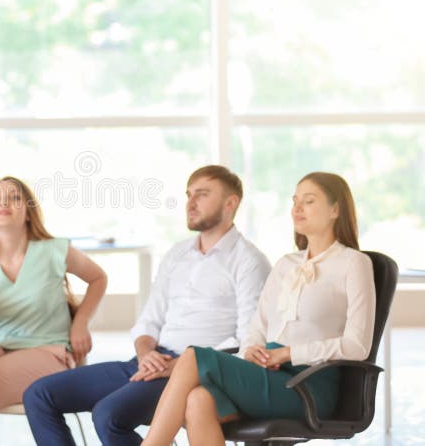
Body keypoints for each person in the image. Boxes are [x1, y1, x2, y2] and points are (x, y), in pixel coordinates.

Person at [23, 165, 271, 446]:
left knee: (109, 415)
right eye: (188, 194)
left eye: (202, 194)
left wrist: (182, 365)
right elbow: (149, 320)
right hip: (151, 360)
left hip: (196, 372)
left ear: (230, 203)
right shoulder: (178, 254)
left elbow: (248, 340)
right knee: (39, 395)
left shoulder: (249, 261)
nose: (190, 203)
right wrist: (145, 353)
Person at [140, 172, 376, 446]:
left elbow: (358, 346)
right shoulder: (286, 264)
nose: (297, 209)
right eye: (295, 201)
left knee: (193, 356)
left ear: (335, 209)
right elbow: (258, 326)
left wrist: (287, 353)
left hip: (308, 385)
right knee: (198, 399)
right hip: (268, 375)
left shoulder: (354, 263)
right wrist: (250, 351)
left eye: (309, 201)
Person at [0, 176, 108, 446]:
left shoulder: (55, 250)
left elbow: (98, 278)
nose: (4, 203)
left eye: (15, 197)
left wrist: (81, 323)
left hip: (49, 354)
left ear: (29, 213)